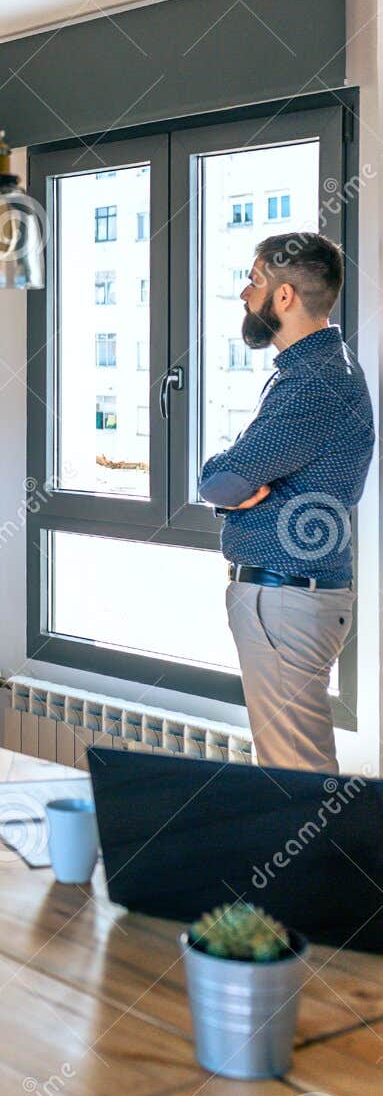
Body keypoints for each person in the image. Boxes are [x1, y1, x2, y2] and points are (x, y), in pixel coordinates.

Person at [198, 232, 374, 773]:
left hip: (286, 600)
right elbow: (234, 483)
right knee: (290, 767)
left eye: (254, 281)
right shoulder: (315, 371)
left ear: (284, 297)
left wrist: (226, 485)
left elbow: (222, 480)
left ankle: (324, 861)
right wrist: (235, 489)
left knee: (296, 776)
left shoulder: (315, 384)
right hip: (290, 598)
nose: (245, 295)